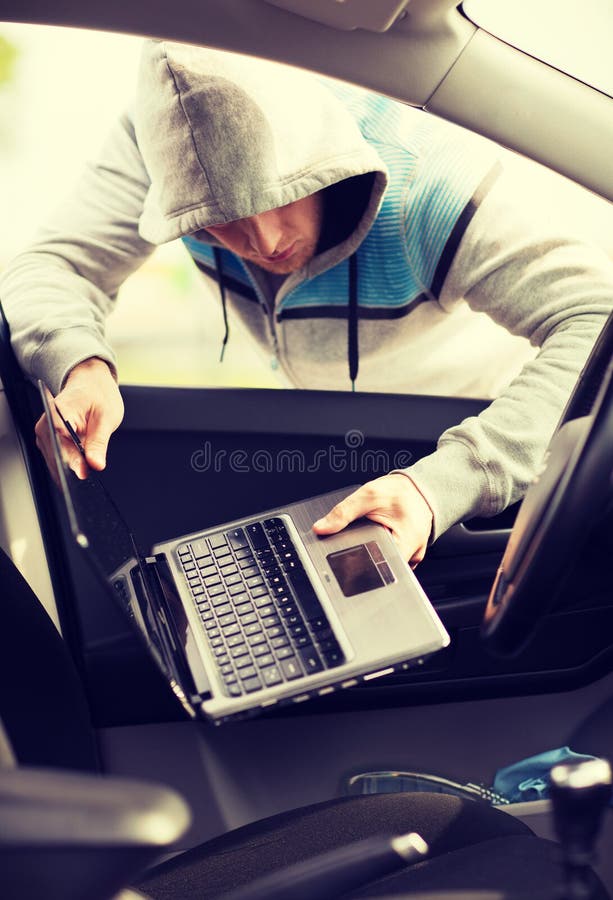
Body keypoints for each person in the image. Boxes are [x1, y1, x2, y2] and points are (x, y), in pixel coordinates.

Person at [1, 40, 612, 564]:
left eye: (280, 194)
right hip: (349, 433)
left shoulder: (429, 187)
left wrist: (445, 486)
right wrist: (79, 365)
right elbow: (54, 264)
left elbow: (599, 320)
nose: (263, 243)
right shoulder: (154, 148)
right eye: (216, 222)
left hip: (501, 440)